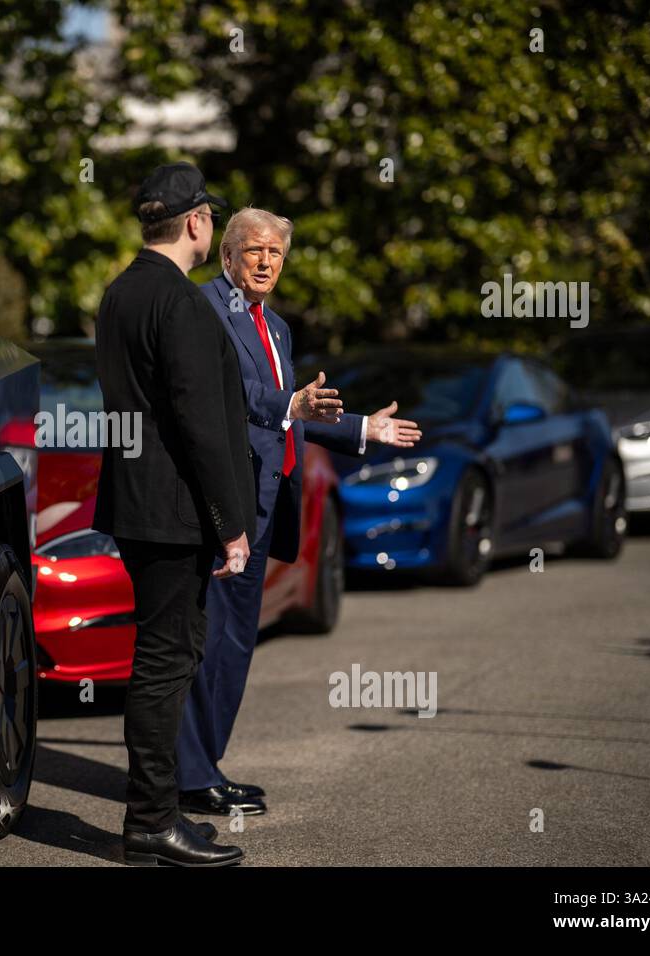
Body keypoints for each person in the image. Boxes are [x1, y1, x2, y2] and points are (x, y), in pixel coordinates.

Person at [177, 207, 421, 817]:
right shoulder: (204, 311)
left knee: (235, 646)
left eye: (276, 254)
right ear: (227, 255)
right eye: (254, 250)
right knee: (206, 645)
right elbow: (243, 397)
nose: (265, 262)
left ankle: (208, 765)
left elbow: (295, 411)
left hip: (268, 502)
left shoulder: (277, 328)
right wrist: (292, 402)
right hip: (223, 505)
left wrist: (365, 427)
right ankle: (188, 775)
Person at [93, 162, 258, 866]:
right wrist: (231, 522)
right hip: (172, 511)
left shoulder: (119, 293)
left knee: (160, 656)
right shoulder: (181, 303)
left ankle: (152, 818)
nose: (212, 227)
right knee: (167, 660)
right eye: (211, 218)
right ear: (196, 223)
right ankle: (151, 822)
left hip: (136, 506)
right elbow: (200, 424)